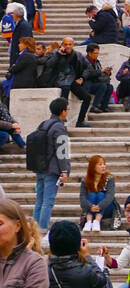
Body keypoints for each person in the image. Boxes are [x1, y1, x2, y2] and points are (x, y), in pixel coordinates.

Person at [31, 98, 70, 232]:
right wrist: (64, 170)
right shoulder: (59, 127)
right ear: (62, 111)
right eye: (67, 108)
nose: (68, 111)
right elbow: (62, 151)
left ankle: (34, 230)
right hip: (52, 170)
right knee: (48, 201)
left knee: (39, 201)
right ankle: (42, 231)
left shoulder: (43, 124)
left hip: (40, 168)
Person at [80, 156, 117, 231]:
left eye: (104, 164)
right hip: (91, 209)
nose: (103, 166)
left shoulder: (109, 178)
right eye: (100, 164)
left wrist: (99, 206)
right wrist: (90, 207)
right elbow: (82, 198)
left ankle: (97, 221)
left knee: (101, 195)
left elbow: (110, 197)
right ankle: (89, 222)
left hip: (107, 208)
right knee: (91, 195)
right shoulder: (85, 180)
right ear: (93, 167)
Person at [82, 43, 114, 114]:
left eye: (97, 53)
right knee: (102, 86)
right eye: (95, 53)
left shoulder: (97, 61)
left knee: (110, 87)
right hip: (87, 84)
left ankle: (104, 106)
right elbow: (88, 74)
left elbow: (99, 73)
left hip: (95, 82)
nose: (97, 55)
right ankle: (94, 106)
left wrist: (107, 72)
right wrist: (101, 71)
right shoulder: (85, 61)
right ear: (89, 53)